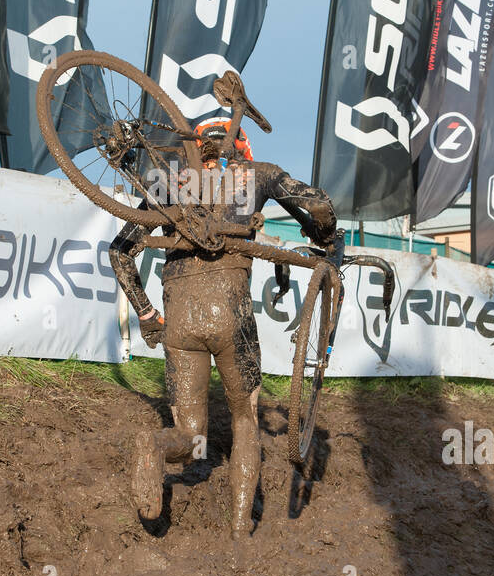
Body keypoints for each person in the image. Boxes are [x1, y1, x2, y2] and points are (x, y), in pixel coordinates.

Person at [108, 117, 337, 539]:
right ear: (237, 148)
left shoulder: (170, 184)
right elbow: (317, 200)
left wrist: (145, 314)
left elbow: (119, 253)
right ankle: (238, 528)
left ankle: (156, 447)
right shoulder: (255, 174)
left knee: (189, 433)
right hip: (231, 313)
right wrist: (326, 234)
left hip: (180, 316)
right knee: (245, 420)